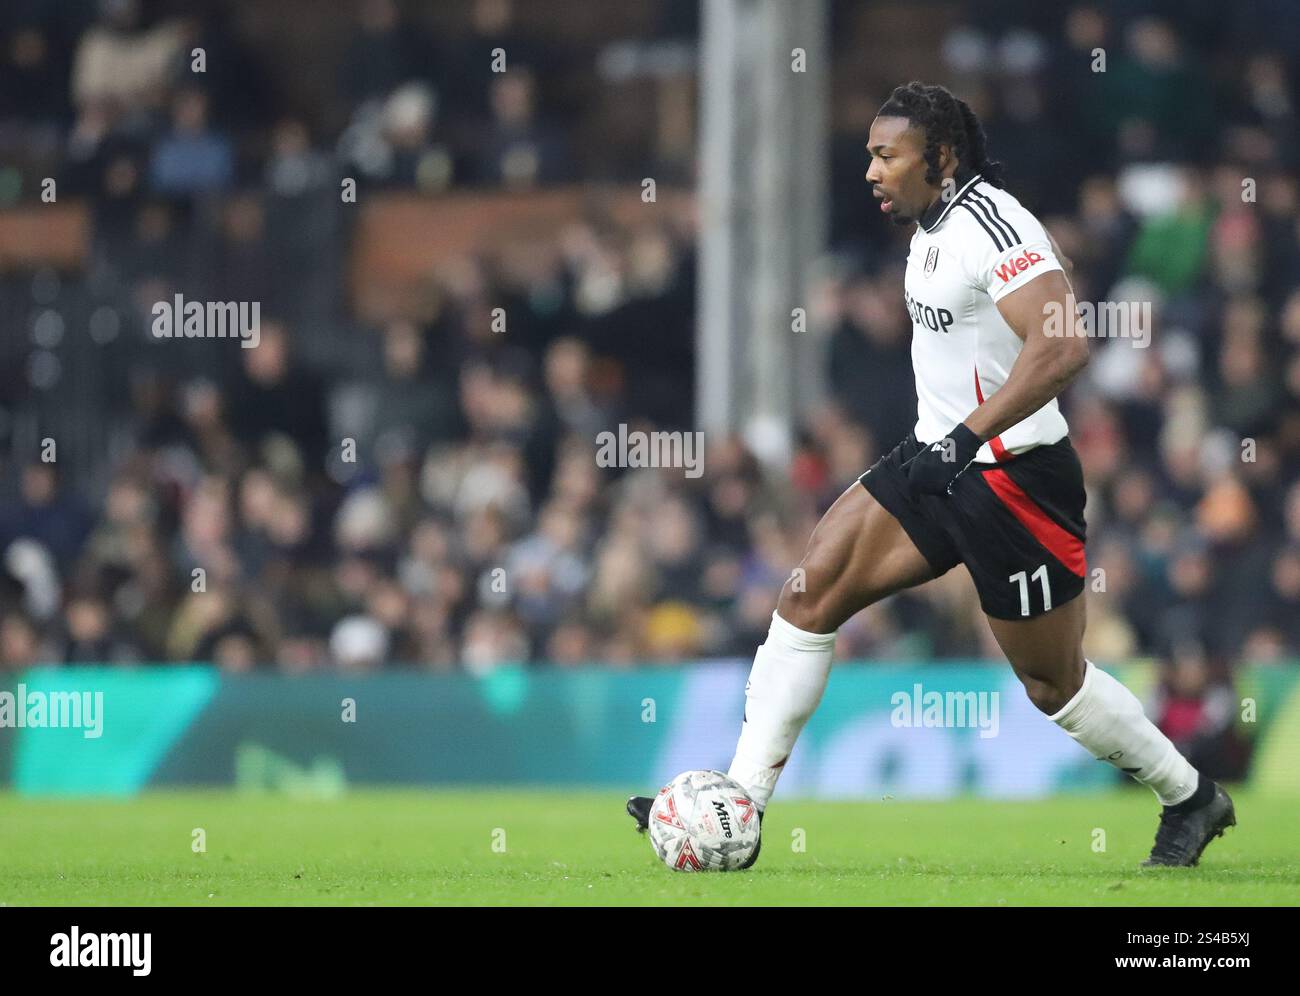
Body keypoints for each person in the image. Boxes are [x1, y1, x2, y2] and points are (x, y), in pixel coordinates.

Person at [627, 81, 1234, 869]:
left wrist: (968, 437)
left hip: (1017, 481)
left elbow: (1063, 347)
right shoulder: (931, 227)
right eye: (871, 154)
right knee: (809, 594)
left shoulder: (996, 225)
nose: (873, 172)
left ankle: (1190, 795)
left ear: (941, 157)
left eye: (888, 155)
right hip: (934, 458)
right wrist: (945, 444)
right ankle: (737, 812)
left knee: (1056, 687)